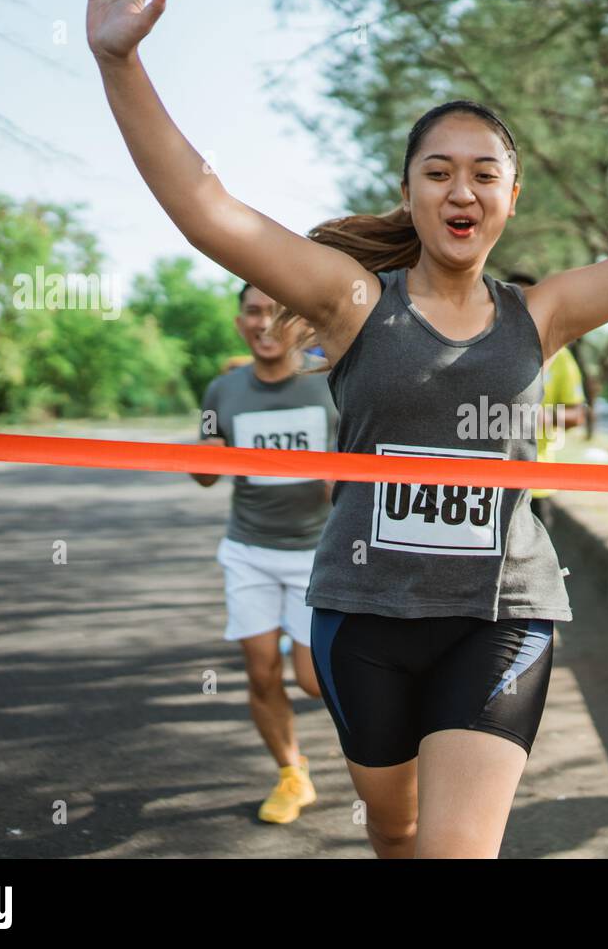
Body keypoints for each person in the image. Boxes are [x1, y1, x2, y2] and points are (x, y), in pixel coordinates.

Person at [88, 0, 608, 857]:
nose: (461, 188)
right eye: (438, 171)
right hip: (363, 617)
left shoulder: (542, 313)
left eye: (483, 172)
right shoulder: (353, 301)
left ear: (511, 195)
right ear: (408, 193)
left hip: (501, 616)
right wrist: (118, 62)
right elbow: (207, 207)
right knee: (395, 836)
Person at [190, 281, 338, 824]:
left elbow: (357, 477)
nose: (266, 323)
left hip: (317, 554)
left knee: (312, 679)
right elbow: (205, 474)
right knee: (260, 673)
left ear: (302, 324)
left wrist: (335, 482)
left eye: (278, 311)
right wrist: (203, 459)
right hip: (248, 549)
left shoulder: (328, 389)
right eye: (254, 312)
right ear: (239, 323)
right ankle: (291, 773)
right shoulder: (222, 392)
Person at [506, 272, 586, 532]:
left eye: (529, 301)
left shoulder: (560, 358)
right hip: (490, 482)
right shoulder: (480, 349)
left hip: (537, 484)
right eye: (514, 300)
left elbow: (578, 416)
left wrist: (545, 417)